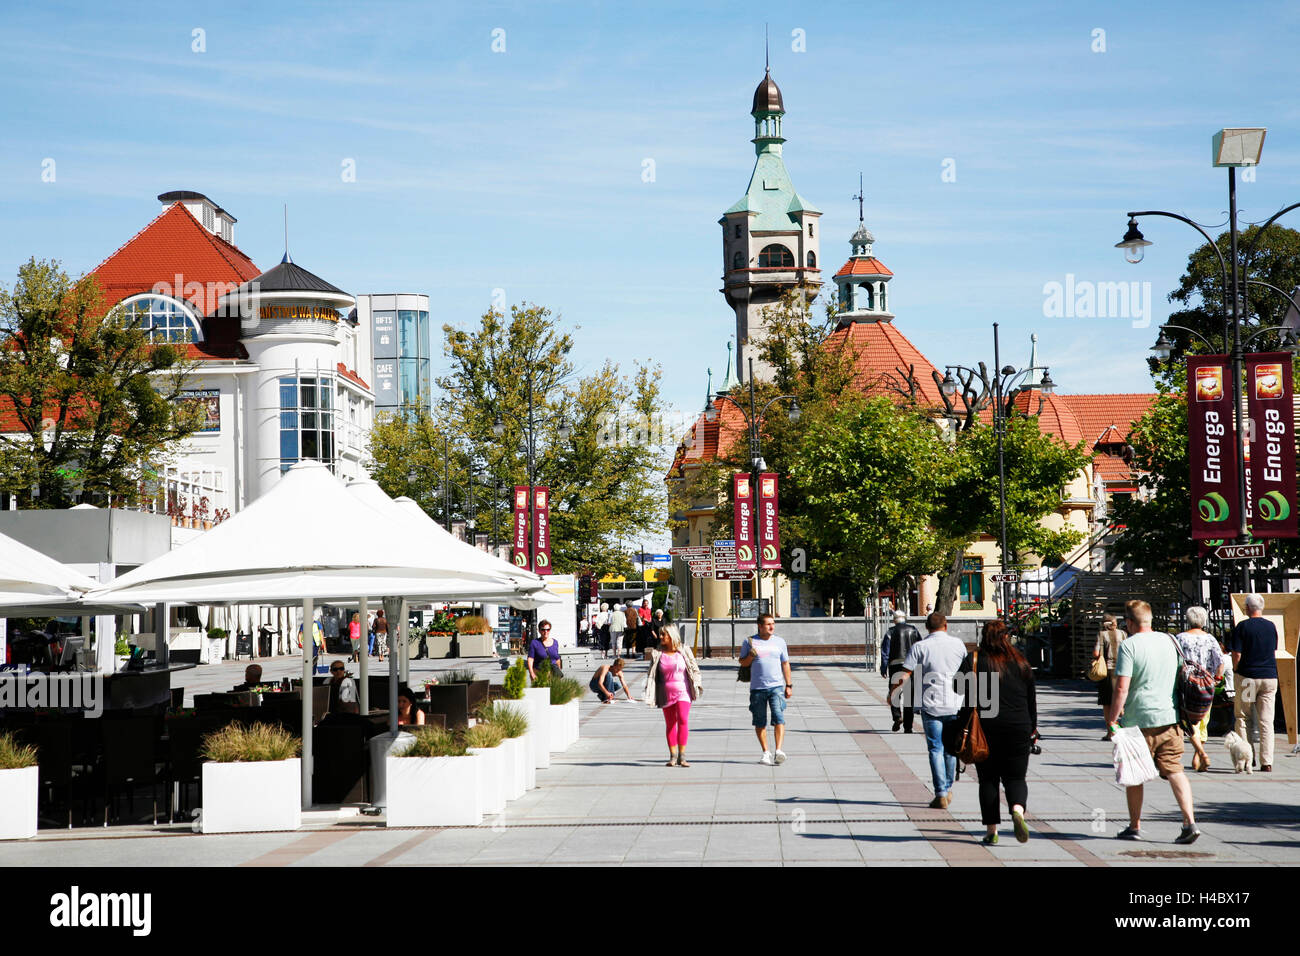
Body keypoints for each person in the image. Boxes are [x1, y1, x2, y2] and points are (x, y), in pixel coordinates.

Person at [1105, 599, 1199, 844]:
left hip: (1138, 720)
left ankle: (1134, 826)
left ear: (1129, 622)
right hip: (1170, 717)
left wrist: (1113, 719)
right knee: (1175, 769)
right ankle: (1189, 822)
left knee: (1134, 775)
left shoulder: (1129, 646)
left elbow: (1122, 687)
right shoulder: (1170, 641)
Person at [957, 620, 1037, 845]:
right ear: (1006, 636)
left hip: (985, 728)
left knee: (988, 780)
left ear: (984, 636)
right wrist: (1033, 729)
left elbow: (956, 686)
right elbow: (1031, 699)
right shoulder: (1020, 661)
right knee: (1016, 777)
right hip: (1019, 727)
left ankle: (992, 831)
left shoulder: (976, 659)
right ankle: (1018, 811)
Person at [890, 612, 967, 809]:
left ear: (927, 627)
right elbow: (968, 673)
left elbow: (905, 674)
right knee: (951, 749)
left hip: (930, 705)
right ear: (946, 625)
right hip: (955, 703)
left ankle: (940, 792)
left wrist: (893, 692)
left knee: (935, 749)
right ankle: (948, 788)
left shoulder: (920, 647)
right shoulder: (958, 645)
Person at [1228, 593, 1279, 772]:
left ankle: (1247, 757)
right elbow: (1273, 649)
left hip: (1248, 677)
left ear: (1248, 608)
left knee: (1244, 717)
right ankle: (1267, 761)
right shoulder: (1271, 626)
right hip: (1269, 677)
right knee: (1267, 721)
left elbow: (1236, 654)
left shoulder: (1242, 627)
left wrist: (1236, 669)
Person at [1174, 606, 1226, 772]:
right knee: (1204, 719)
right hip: (1206, 683)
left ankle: (1200, 753)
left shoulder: (1180, 638)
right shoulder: (1210, 639)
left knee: (1187, 720)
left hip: (1186, 684)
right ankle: (1199, 754)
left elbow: (1174, 660)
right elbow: (1220, 661)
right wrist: (1216, 679)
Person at [738, 613, 792, 765]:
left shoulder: (780, 642)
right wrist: (750, 656)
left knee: (778, 717)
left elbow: (785, 664)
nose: (772, 627)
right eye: (768, 624)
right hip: (757, 688)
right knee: (760, 721)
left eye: (773, 624)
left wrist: (788, 685)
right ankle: (765, 752)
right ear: (760, 626)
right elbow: (743, 662)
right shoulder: (750, 642)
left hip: (776, 687)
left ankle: (779, 750)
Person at [644, 624, 701, 766]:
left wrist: (697, 684)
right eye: (660, 634)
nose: (661, 637)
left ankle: (683, 756)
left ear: (672, 635)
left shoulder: (684, 651)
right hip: (665, 693)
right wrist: (650, 690)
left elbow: (695, 669)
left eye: (664, 634)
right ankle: (673, 756)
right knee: (670, 724)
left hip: (684, 691)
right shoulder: (657, 653)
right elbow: (651, 674)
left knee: (683, 719)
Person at [880, 610, 921, 733]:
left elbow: (885, 652)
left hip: (895, 665)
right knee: (909, 695)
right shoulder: (913, 630)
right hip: (910, 665)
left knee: (895, 692)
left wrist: (883, 668)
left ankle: (897, 716)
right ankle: (908, 726)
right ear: (905, 618)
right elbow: (920, 646)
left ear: (894, 620)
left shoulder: (890, 632)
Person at [1093, 613, 1127, 739]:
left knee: (1107, 704)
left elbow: (1096, 653)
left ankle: (1111, 732)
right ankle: (1127, 726)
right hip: (1123, 670)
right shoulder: (1123, 634)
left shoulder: (1101, 635)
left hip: (1107, 672)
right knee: (1121, 702)